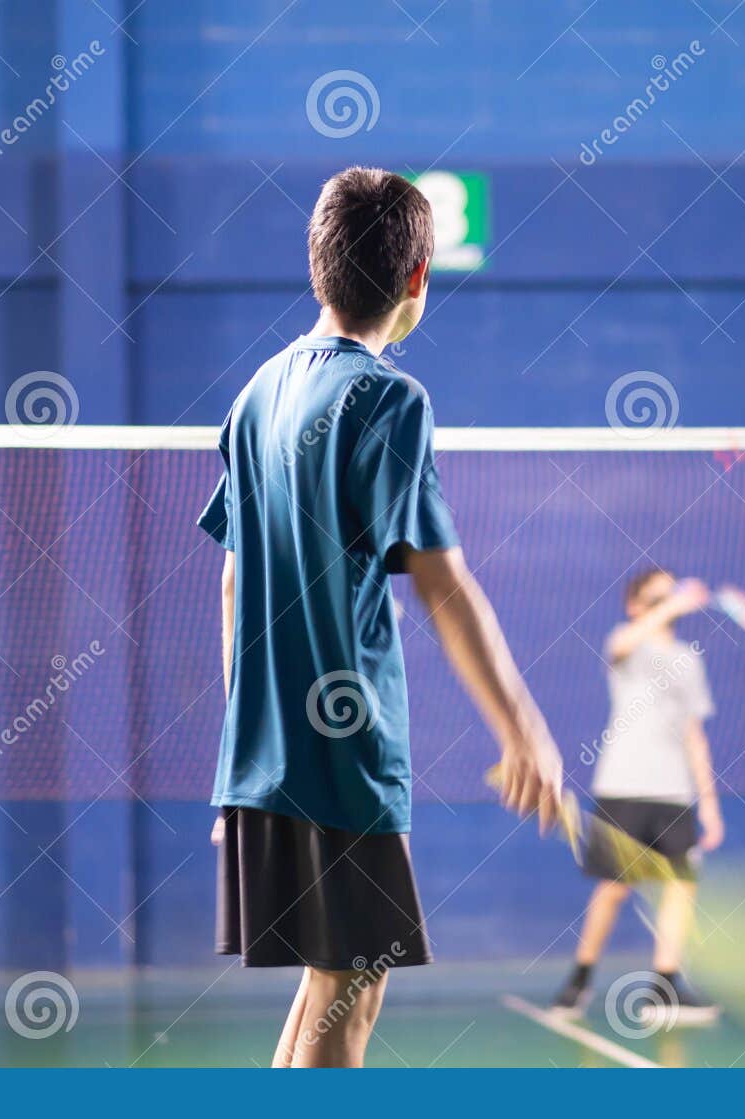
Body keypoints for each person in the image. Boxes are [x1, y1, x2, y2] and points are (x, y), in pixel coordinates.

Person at [199, 167, 563, 1067]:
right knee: (352, 992)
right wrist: (524, 731)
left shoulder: (256, 395)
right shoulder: (390, 399)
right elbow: (442, 585)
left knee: (331, 984)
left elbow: (234, 582)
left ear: (316, 270)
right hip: (345, 752)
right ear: (417, 280)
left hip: (268, 752)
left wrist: (241, 755)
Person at [551, 568, 725, 1025]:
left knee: (681, 885)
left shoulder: (689, 658)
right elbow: (622, 646)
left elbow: (694, 735)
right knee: (614, 889)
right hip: (624, 786)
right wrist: (675, 602)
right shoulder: (626, 642)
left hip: (674, 792)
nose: (667, 599)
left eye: (670, 592)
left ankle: (664, 986)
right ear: (635, 603)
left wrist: (709, 805)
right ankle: (579, 981)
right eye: (657, 594)